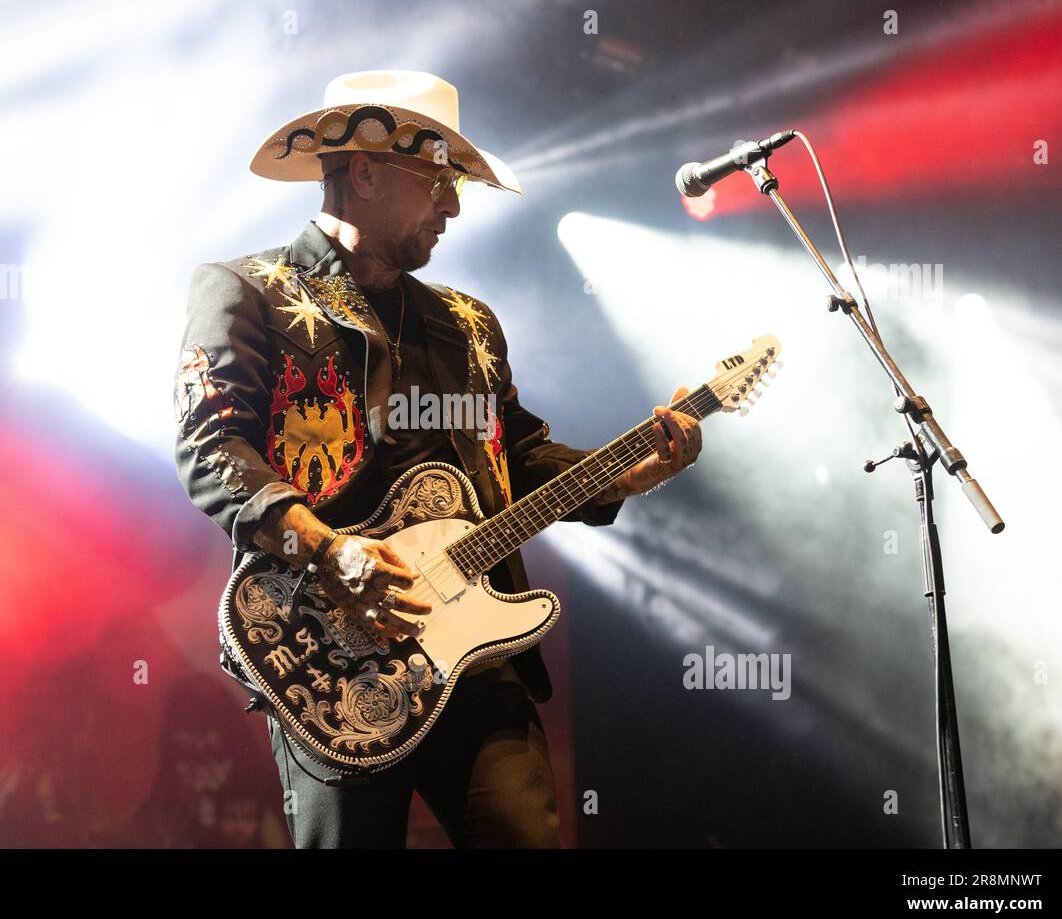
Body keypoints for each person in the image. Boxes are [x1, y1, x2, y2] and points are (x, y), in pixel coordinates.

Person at [174, 71, 701, 847]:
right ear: (365, 171)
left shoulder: (466, 321)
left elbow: (516, 458)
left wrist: (625, 471)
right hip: (329, 652)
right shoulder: (245, 291)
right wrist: (328, 551)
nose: (453, 207)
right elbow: (209, 445)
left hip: (476, 650)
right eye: (440, 182)